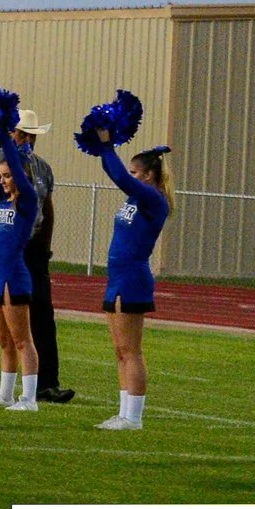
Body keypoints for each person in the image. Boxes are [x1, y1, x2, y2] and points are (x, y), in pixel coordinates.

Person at [0, 111, 68, 403]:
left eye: (8, 176)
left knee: (24, 338)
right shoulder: (6, 199)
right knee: (4, 340)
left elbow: (34, 196)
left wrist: (6, 138)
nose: (4, 181)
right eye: (3, 177)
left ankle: (30, 397)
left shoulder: (28, 198)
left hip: (15, 273)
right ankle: (5, 393)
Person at [91, 130, 170, 431]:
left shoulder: (153, 199)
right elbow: (117, 173)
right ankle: (124, 412)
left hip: (132, 277)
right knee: (119, 350)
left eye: (136, 172)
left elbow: (121, 177)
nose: (130, 177)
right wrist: (101, 149)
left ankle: (134, 417)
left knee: (131, 350)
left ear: (149, 176)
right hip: (118, 277)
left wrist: (109, 144)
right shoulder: (137, 197)